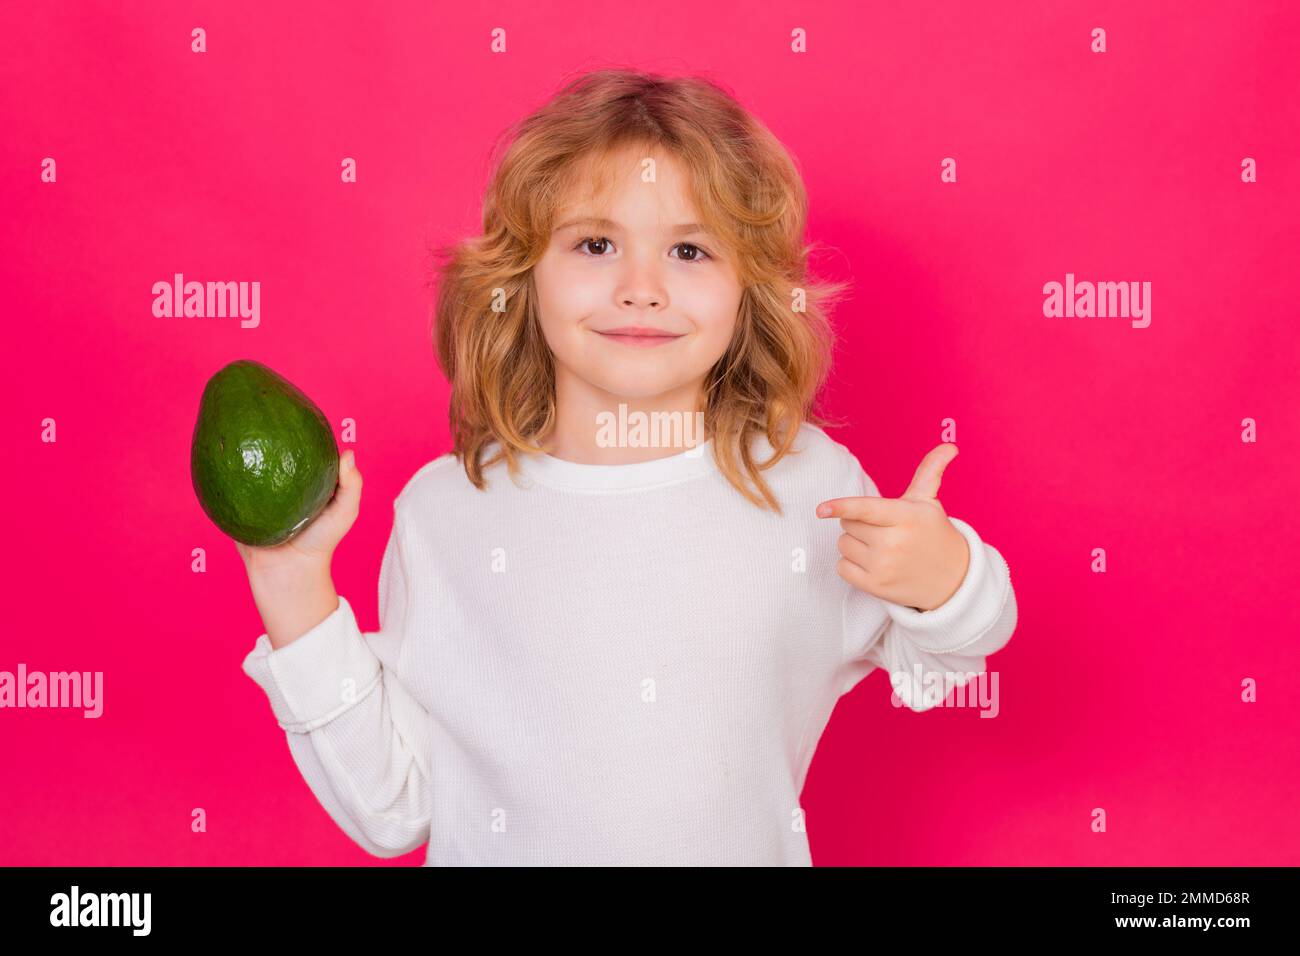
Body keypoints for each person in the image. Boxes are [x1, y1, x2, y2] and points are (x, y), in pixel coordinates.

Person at [238, 68, 1018, 866]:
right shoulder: (444, 511)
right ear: (522, 277)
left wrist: (948, 579)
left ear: (749, 289)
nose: (641, 289)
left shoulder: (804, 485)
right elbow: (396, 807)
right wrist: (292, 584)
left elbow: (944, 665)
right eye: (596, 245)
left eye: (688, 249)